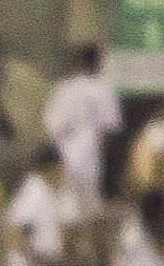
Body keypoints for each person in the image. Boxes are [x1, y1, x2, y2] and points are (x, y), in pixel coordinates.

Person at [43, 44, 120, 219]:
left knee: (64, 209)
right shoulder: (102, 89)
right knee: (89, 211)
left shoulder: (63, 89)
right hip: (89, 156)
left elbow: (50, 125)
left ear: (76, 64)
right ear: (98, 64)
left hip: (63, 157)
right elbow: (110, 128)